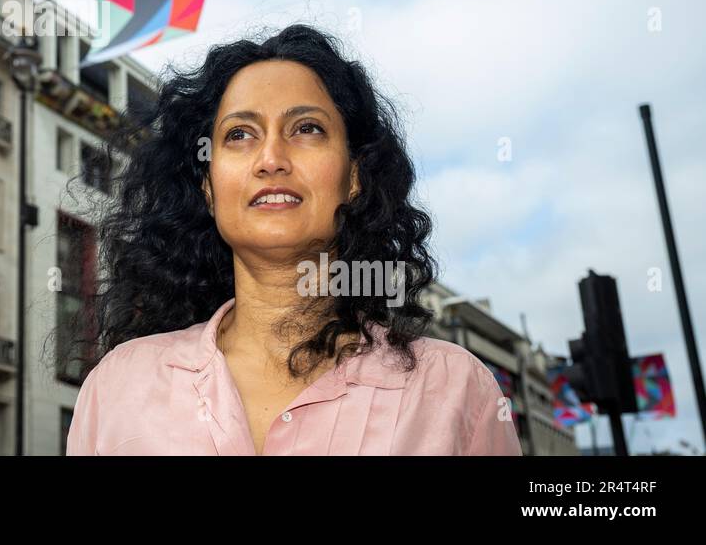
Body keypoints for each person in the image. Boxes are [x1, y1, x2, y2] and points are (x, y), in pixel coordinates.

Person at [63, 24, 522, 455]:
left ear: (354, 177)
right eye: (239, 134)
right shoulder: (117, 386)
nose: (270, 158)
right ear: (208, 187)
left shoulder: (456, 390)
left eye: (306, 128)